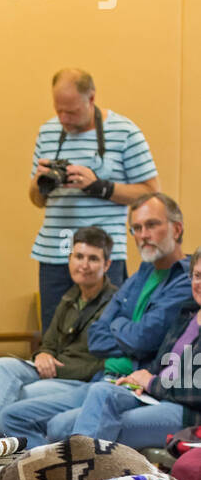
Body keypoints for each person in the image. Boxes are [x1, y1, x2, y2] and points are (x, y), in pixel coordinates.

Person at [10, 195, 193, 449]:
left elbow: (144, 339)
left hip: (138, 386)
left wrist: (118, 326)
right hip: (107, 378)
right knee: (14, 410)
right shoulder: (144, 271)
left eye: (151, 225)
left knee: (58, 425)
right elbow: (97, 337)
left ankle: (70, 478)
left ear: (177, 228)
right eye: (137, 228)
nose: (143, 235)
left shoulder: (189, 279)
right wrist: (128, 332)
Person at [29, 68, 158, 330]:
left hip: (103, 255)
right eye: (59, 110)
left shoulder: (125, 132)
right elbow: (36, 200)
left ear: (91, 99)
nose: (64, 118)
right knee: (55, 336)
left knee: (106, 332)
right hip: (55, 253)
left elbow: (150, 192)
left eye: (72, 112)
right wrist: (40, 181)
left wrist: (99, 186)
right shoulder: (48, 131)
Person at [41, 246, 201, 450]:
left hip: (187, 412)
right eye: (197, 275)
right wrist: (139, 378)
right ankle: (83, 470)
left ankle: (81, 474)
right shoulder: (187, 314)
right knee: (62, 422)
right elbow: (163, 363)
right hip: (155, 396)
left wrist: (152, 382)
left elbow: (196, 389)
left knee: (90, 427)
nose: (199, 283)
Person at [0, 227, 115, 437]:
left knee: (19, 393)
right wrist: (43, 355)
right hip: (51, 373)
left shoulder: (115, 303)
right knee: (1, 367)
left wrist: (56, 368)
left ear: (107, 264)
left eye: (93, 259)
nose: (84, 265)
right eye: (79, 256)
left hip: (80, 382)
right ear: (70, 259)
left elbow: (104, 362)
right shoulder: (69, 298)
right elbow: (48, 343)